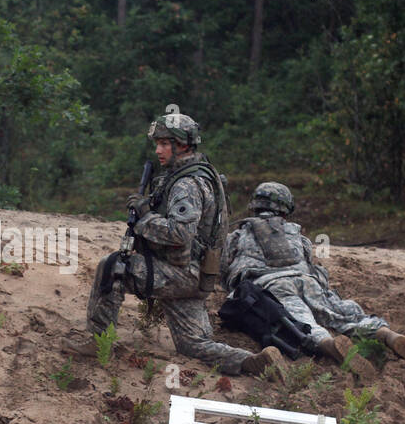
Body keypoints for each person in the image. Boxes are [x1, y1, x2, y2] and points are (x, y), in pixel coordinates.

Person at [65, 112, 284, 377]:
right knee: (194, 345)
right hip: (195, 273)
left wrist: (145, 217)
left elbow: (179, 234)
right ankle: (252, 361)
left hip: (180, 272)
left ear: (181, 144)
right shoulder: (201, 174)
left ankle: (98, 341)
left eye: (164, 143)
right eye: (157, 143)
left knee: (113, 266)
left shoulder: (186, 183)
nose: (158, 150)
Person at [221, 182, 405, 378]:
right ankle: (385, 334)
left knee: (303, 322)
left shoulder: (238, 235)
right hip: (308, 281)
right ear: (285, 209)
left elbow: (225, 270)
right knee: (339, 312)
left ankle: (329, 344)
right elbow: (311, 264)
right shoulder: (297, 235)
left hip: (273, 286)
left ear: (255, 206)